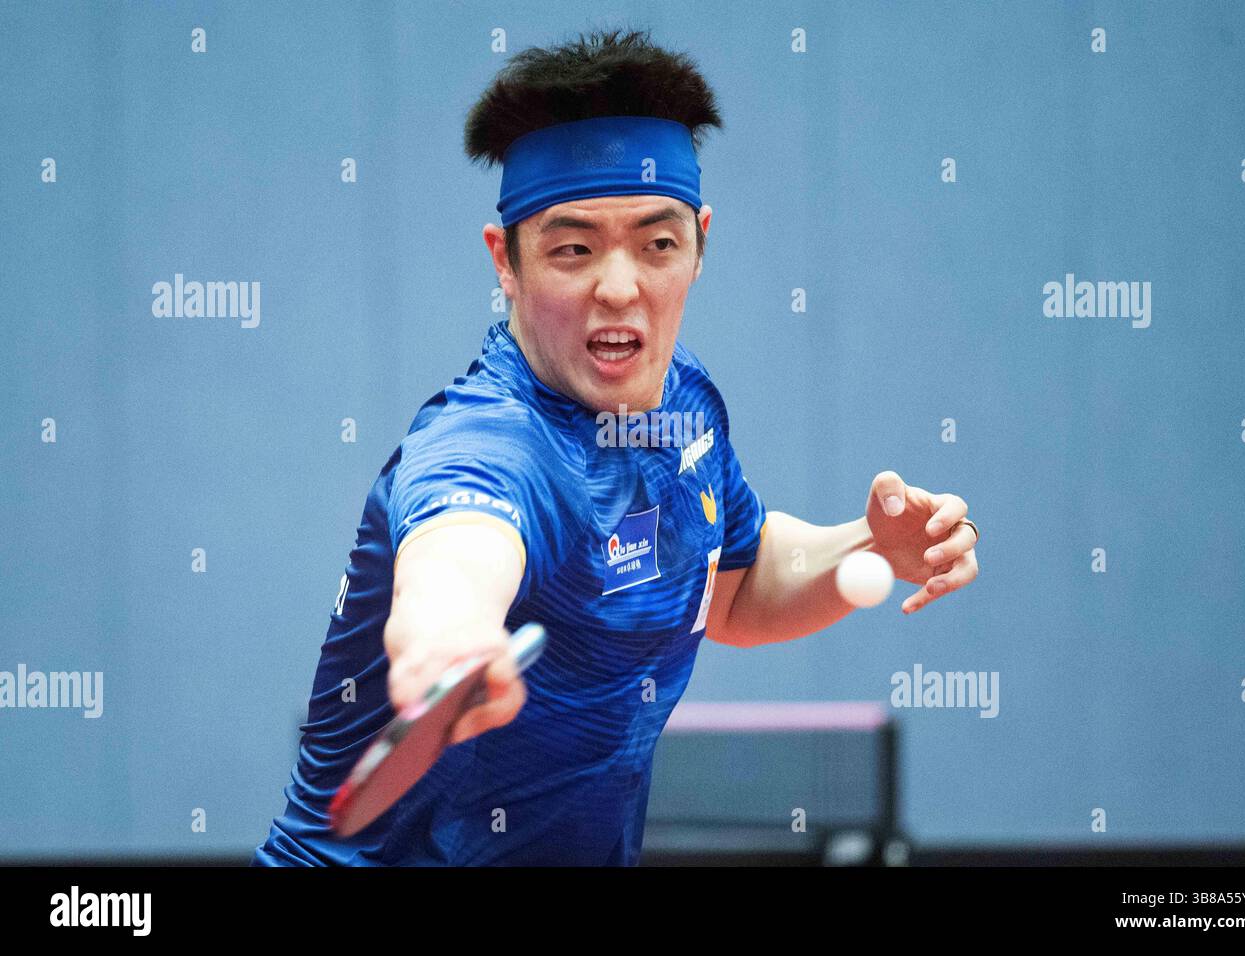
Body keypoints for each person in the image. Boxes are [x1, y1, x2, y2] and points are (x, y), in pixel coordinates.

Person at [252, 27, 979, 867]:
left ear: (701, 243)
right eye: (573, 248)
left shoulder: (687, 403)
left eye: (657, 243)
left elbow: (734, 591)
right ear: (507, 263)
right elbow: (453, 556)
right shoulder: (489, 445)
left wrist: (869, 545)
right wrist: (447, 640)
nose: (621, 287)